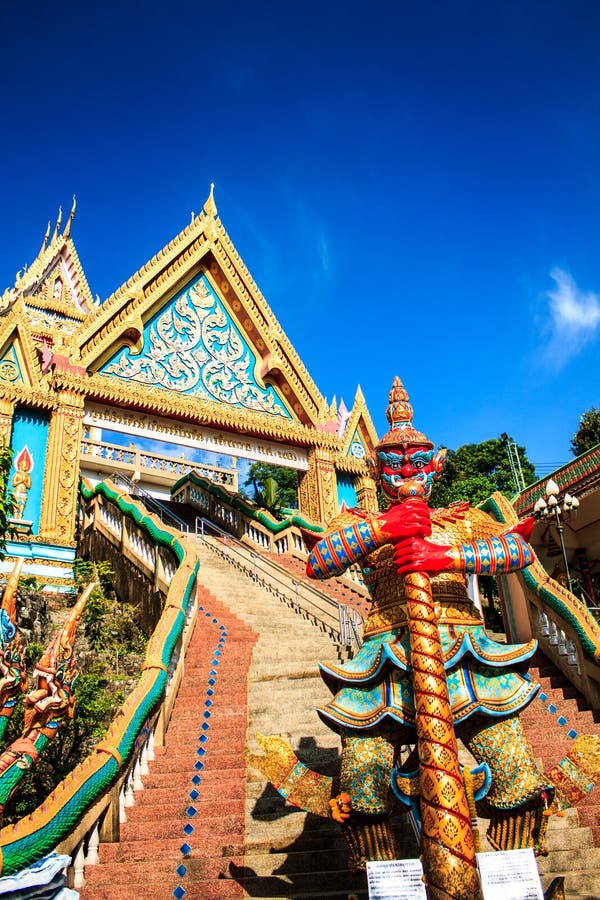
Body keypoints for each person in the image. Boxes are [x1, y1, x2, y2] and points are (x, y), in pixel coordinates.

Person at [306, 376, 550, 870]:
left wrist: (445, 556)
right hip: (386, 662)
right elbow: (318, 562)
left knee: (516, 776)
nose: (407, 473)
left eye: (418, 462)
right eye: (394, 464)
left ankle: (513, 877)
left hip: (465, 655)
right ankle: (388, 879)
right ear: (376, 471)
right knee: (363, 785)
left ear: (435, 466)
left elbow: (518, 548)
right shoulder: (358, 523)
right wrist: (382, 528)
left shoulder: (459, 520)